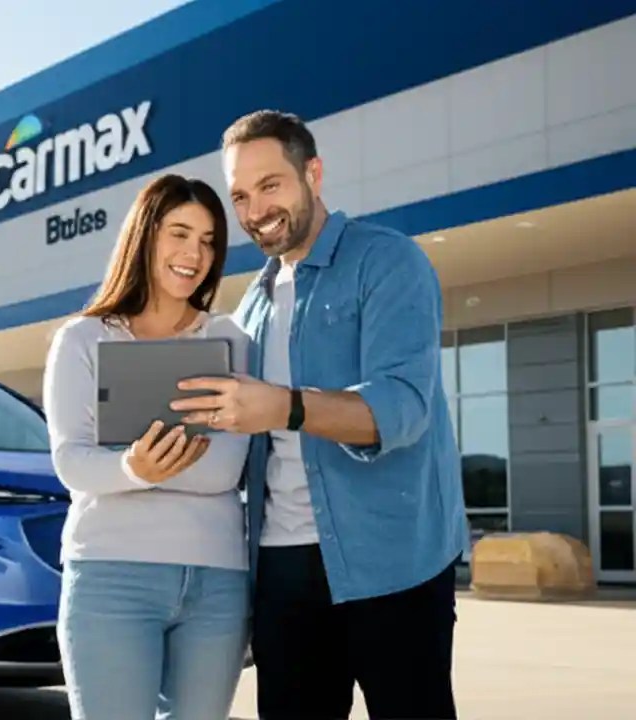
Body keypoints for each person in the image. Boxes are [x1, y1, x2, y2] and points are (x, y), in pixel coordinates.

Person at [170, 110, 469, 719]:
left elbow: (402, 409)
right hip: (281, 573)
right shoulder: (247, 308)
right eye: (241, 196)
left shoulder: (386, 262)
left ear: (313, 172)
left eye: (270, 185)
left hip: (394, 566)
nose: (255, 211)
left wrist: (283, 406)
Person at [42, 173, 253, 720]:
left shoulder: (229, 340)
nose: (194, 253)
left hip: (216, 583)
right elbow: (71, 463)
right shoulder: (84, 339)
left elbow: (223, 471)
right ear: (145, 234)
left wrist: (120, 466)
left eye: (208, 240)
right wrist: (134, 468)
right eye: (179, 233)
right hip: (110, 578)